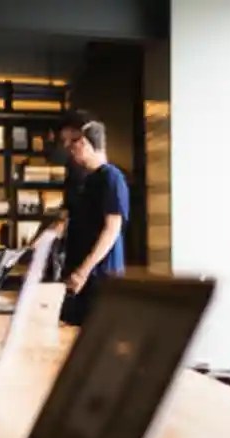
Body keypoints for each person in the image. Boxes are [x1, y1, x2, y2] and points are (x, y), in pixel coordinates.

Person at [57, 112, 129, 326]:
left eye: (74, 141)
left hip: (100, 276)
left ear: (89, 142)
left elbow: (112, 229)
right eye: (66, 141)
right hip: (78, 275)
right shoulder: (81, 180)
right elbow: (64, 220)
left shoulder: (112, 178)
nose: (69, 147)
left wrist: (83, 272)